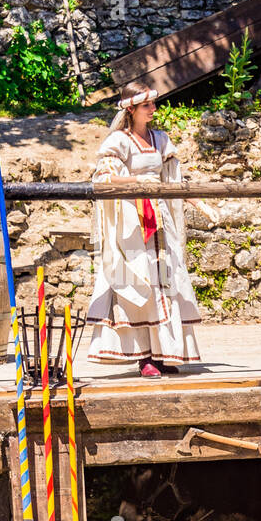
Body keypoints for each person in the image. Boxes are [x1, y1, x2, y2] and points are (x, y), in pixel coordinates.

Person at [87, 82, 216, 378]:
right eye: (147, 106)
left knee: (166, 279)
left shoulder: (160, 140)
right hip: (132, 220)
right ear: (131, 109)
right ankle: (143, 356)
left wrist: (199, 203)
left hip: (160, 220)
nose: (153, 110)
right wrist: (137, 183)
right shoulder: (119, 141)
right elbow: (104, 177)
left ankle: (164, 353)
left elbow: (174, 181)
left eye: (153, 104)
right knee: (139, 281)